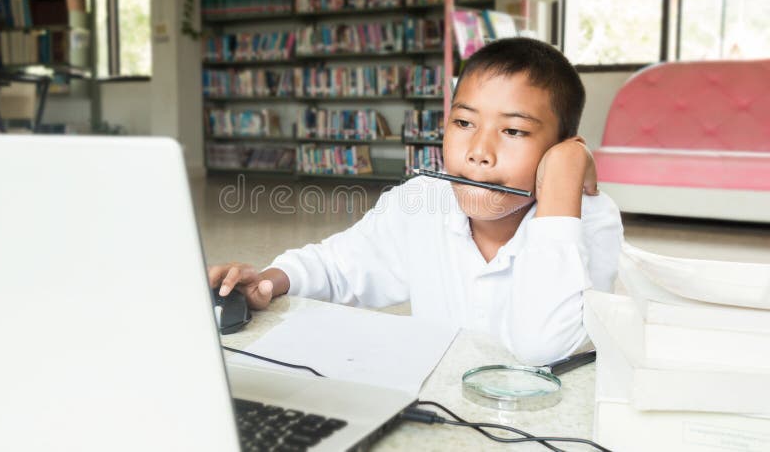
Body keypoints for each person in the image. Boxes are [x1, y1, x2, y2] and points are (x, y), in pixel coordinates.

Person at [209, 38, 623, 365]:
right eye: (463, 123)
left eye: (513, 131)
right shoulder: (424, 200)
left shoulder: (586, 219)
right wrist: (267, 281)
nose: (479, 151)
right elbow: (338, 266)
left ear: (559, 151)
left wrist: (561, 187)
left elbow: (544, 346)